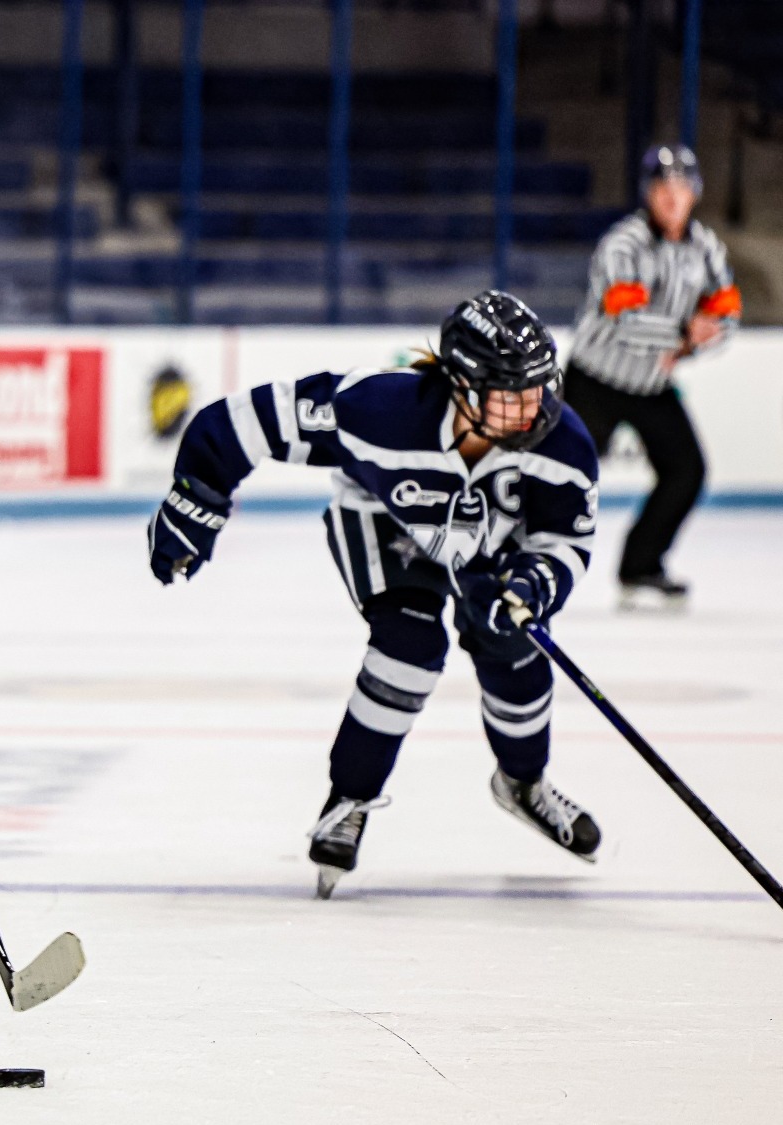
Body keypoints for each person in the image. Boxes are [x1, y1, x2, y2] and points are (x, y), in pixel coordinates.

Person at [149, 290, 603, 899]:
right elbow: (241, 422)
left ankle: (523, 783)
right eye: (511, 393)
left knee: (512, 649)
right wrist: (195, 502)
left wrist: (532, 583)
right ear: (462, 387)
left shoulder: (563, 446)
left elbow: (564, 544)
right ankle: (349, 799)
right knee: (409, 647)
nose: (533, 408)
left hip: (492, 544)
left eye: (539, 388)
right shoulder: (376, 410)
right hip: (382, 522)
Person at [565, 144, 738, 609]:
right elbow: (624, 318)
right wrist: (684, 332)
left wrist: (690, 344)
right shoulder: (623, 244)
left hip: (650, 387)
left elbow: (727, 316)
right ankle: (506, 554)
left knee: (687, 471)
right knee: (555, 472)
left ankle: (641, 567)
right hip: (594, 380)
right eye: (663, 188)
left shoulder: (706, 248)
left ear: (695, 193)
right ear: (649, 192)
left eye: (681, 188)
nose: (672, 197)